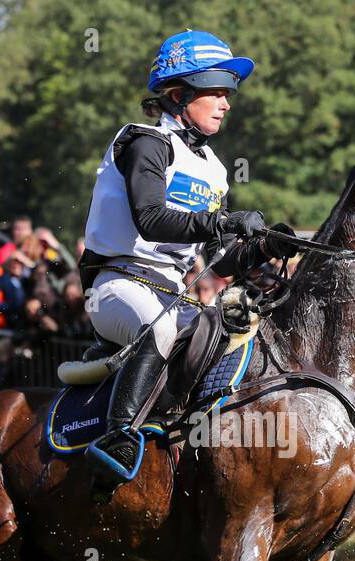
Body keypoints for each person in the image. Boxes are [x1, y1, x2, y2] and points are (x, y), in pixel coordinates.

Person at [77, 30, 297, 487]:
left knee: (238, 332)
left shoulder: (214, 168)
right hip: (116, 285)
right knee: (158, 328)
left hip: (172, 294)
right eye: (216, 92)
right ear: (180, 95)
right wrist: (223, 221)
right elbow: (152, 220)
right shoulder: (145, 142)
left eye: (227, 94)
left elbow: (217, 258)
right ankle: (117, 438)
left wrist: (263, 247)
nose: (226, 103)